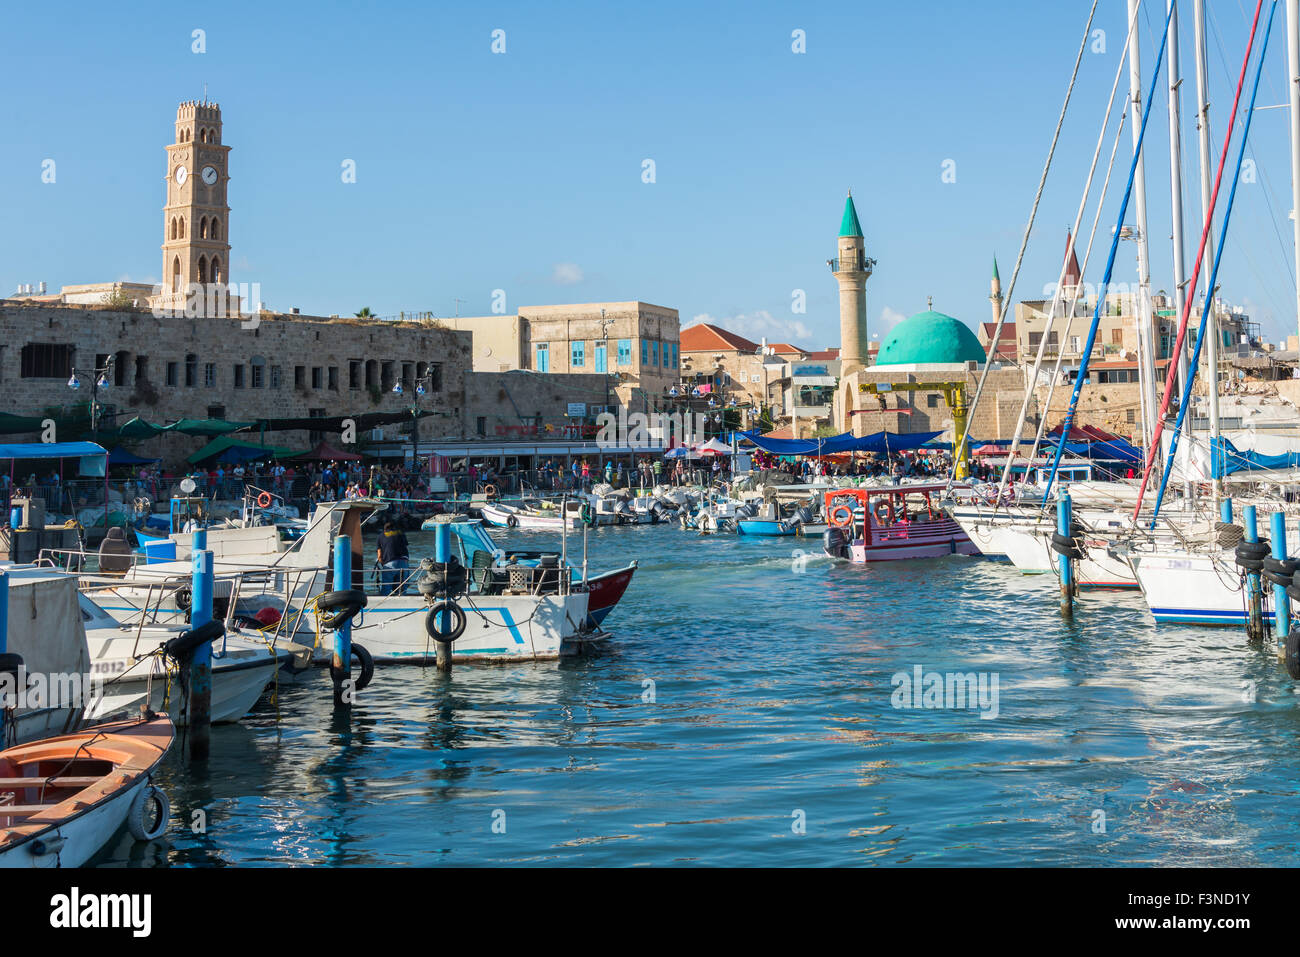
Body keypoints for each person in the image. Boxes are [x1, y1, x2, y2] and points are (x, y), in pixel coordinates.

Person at [376, 520, 410, 595]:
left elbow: (379, 555)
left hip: (390, 564)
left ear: (385, 529)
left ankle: (383, 604)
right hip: (403, 562)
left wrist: (383, 565)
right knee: (402, 588)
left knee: (386, 588)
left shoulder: (381, 536)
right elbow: (405, 548)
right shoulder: (401, 533)